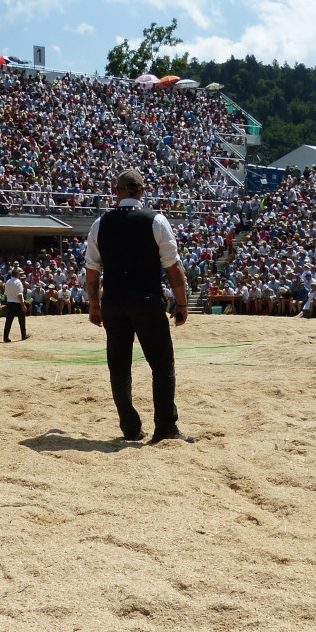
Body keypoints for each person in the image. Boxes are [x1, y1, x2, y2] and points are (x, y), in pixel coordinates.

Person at [85, 168, 192, 444]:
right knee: (162, 364)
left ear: (116, 191)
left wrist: (94, 306)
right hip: (145, 300)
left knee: (119, 367)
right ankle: (166, 426)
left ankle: (130, 428)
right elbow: (173, 268)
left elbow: (92, 273)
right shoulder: (156, 220)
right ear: (142, 192)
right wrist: (181, 304)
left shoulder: (101, 223)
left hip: (113, 303)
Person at [2, 268, 29, 342]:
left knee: (8, 321)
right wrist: (23, 305)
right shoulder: (18, 282)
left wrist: (9, 301)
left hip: (10, 303)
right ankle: (23, 335)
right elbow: (19, 295)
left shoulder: (8, 282)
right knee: (22, 320)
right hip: (18, 303)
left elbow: (6, 294)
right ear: (17, 275)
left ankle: (5, 337)